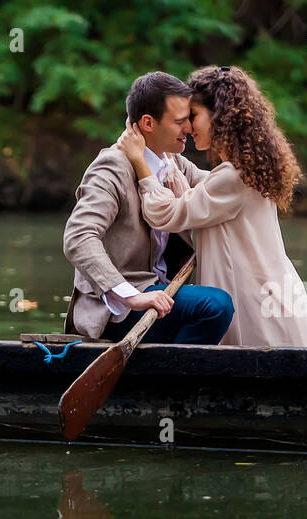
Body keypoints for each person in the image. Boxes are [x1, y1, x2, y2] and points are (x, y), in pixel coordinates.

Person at [118, 66, 307, 347]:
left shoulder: (231, 178)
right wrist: (164, 154)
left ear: (219, 118)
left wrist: (141, 162)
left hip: (254, 302)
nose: (188, 127)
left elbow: (164, 213)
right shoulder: (245, 171)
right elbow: (196, 196)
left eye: (194, 116)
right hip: (270, 294)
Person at [62, 71, 234, 344]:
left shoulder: (173, 163)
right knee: (215, 305)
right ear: (148, 123)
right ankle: (177, 384)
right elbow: (78, 237)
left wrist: (255, 169)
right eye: (179, 122)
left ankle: (171, 374)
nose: (188, 128)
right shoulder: (111, 168)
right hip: (119, 310)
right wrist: (133, 295)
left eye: (189, 119)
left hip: (162, 296)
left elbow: (219, 187)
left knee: (225, 299)